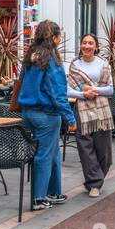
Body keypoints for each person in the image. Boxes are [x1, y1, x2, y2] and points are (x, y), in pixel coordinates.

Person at [15, 20, 76, 210]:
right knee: (45, 154)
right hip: (47, 115)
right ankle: (39, 197)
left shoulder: (30, 57)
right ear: (56, 38)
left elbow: (21, 81)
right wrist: (70, 117)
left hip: (28, 112)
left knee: (53, 153)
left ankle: (53, 192)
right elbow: (58, 93)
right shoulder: (52, 60)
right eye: (59, 36)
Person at [67, 33, 114, 196]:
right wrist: (83, 95)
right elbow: (68, 90)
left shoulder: (104, 64)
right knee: (85, 148)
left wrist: (95, 90)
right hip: (82, 110)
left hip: (102, 112)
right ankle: (94, 183)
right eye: (84, 43)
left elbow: (110, 89)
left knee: (104, 149)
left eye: (90, 43)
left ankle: (95, 178)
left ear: (96, 46)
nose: (87, 46)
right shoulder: (75, 65)